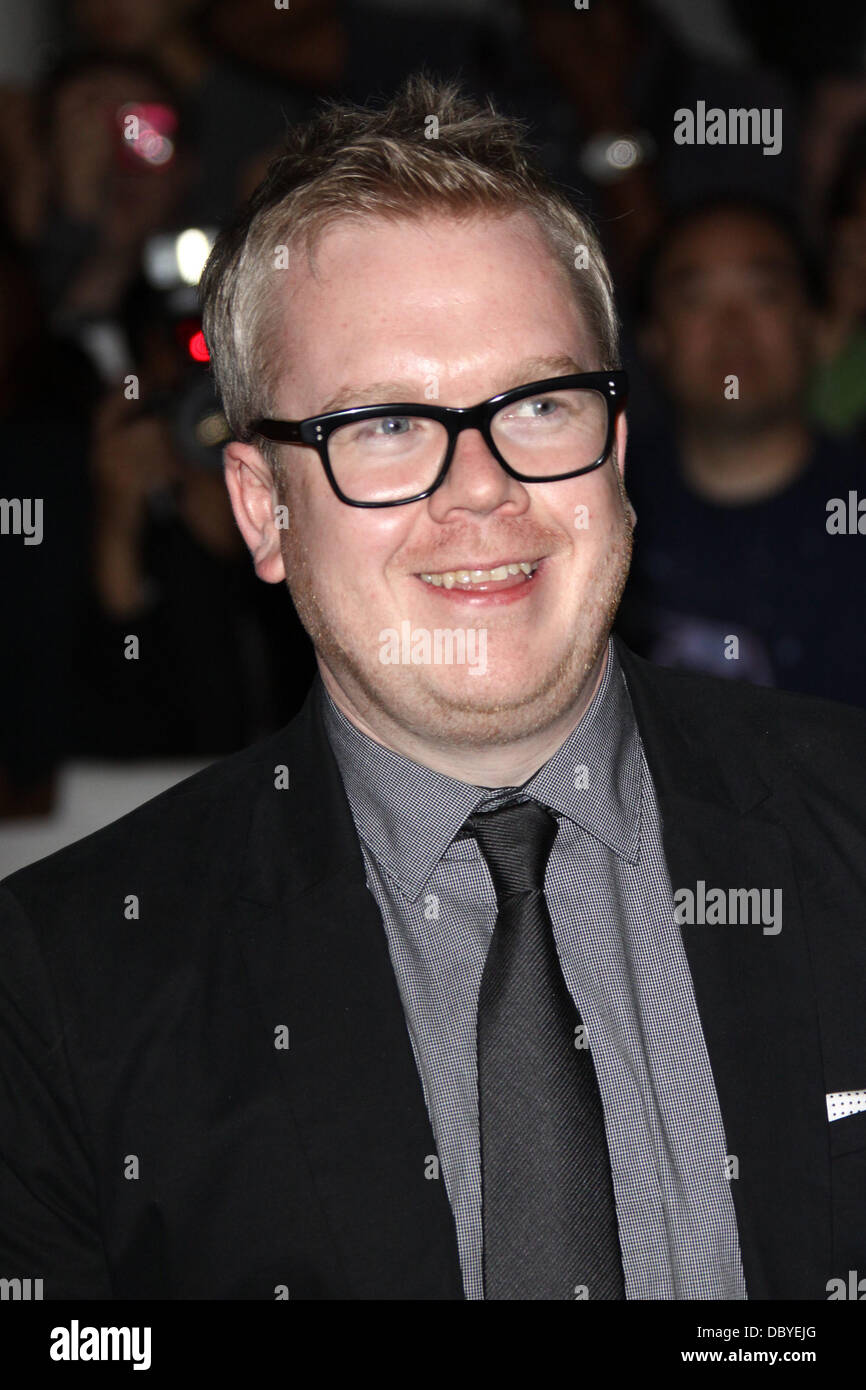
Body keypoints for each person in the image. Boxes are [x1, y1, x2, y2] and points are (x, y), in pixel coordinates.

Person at [1, 75, 865, 1302]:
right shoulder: (63, 985)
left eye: (540, 403)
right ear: (262, 508)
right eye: (386, 425)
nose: (480, 489)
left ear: (615, 457)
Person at [619, 196, 866, 707]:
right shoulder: (597, 508)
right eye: (695, 300)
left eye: (765, 294)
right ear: (652, 337)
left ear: (814, 323)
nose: (732, 328)